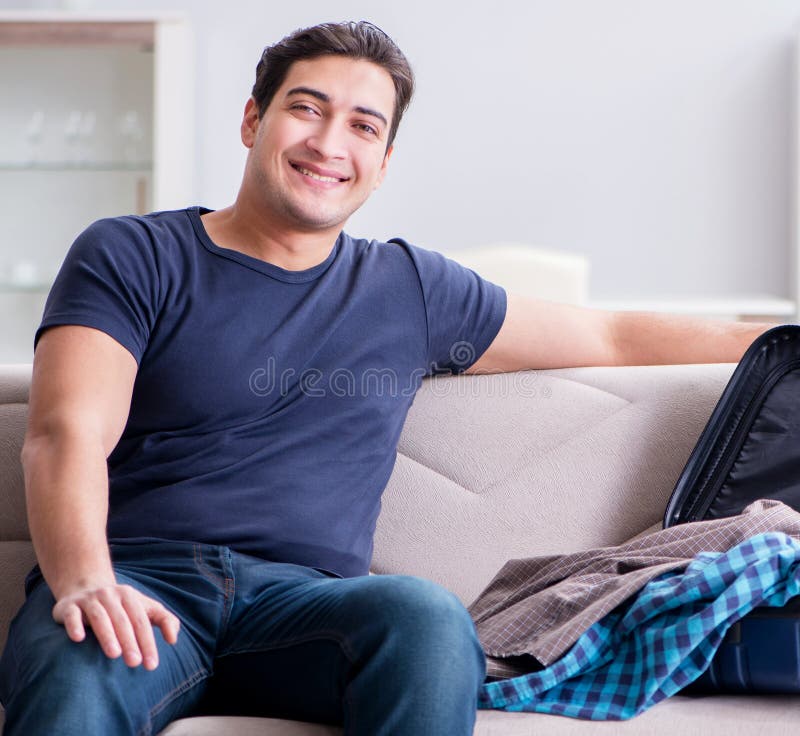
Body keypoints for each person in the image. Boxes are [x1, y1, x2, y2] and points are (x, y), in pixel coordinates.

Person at [0, 20, 773, 736]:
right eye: (307, 109)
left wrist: (777, 339)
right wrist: (85, 581)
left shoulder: (410, 289)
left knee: (425, 617)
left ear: (382, 164)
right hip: (143, 583)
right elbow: (65, 432)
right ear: (252, 121)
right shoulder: (132, 254)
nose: (330, 141)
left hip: (304, 607)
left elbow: (608, 332)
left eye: (363, 126)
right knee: (74, 667)